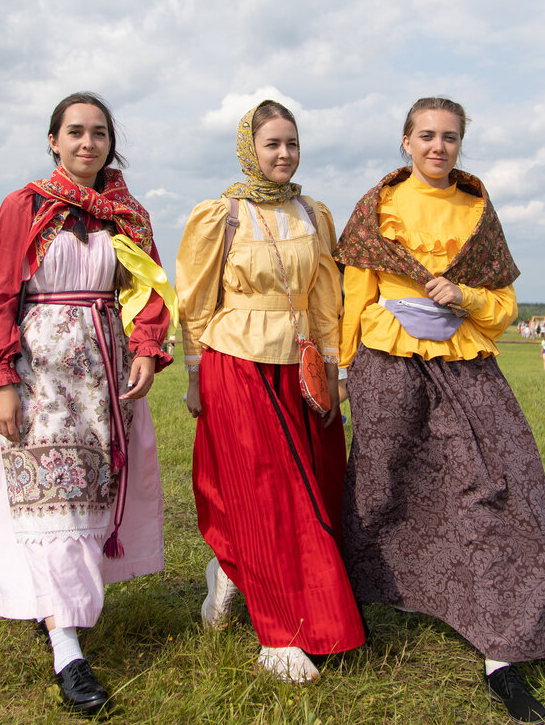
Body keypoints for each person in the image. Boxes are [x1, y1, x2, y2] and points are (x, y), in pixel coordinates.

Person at [335, 97, 545, 724]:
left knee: (499, 485)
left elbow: (503, 305)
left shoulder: (476, 208)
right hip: (385, 361)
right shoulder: (377, 207)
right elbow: (355, 291)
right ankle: (349, 615)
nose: (439, 147)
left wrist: (462, 293)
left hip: (464, 360)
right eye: (428, 136)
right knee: (379, 486)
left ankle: (502, 651)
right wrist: (343, 366)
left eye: (451, 138)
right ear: (405, 141)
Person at [0, 92, 174, 715]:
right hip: (41, 371)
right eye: (76, 132)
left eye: (100, 133)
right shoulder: (24, 207)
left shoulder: (126, 214)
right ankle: (67, 650)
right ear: (53, 140)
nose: (88, 143)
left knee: (91, 494)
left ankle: (58, 611)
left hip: (106, 376)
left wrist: (145, 347)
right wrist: (1, 379)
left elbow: (148, 288)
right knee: (49, 500)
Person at [176, 100, 363, 683]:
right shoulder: (220, 215)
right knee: (264, 492)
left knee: (312, 486)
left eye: (292, 144)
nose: (284, 155)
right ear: (248, 149)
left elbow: (327, 296)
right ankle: (280, 631)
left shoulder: (315, 213)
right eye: (272, 145)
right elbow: (195, 300)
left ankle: (230, 571)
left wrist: (334, 371)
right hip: (235, 363)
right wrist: (193, 374)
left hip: (299, 367)